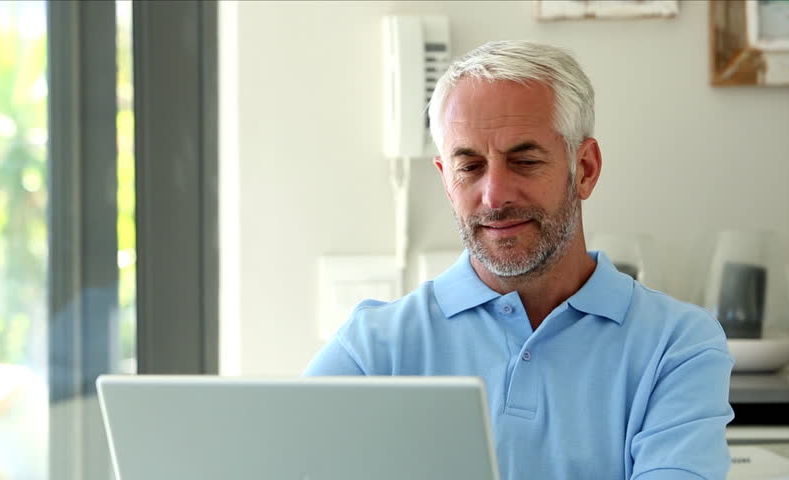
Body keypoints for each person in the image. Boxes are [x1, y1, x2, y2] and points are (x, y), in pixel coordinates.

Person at [304, 40, 734, 480]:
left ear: (584, 169)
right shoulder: (374, 349)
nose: (494, 196)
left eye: (524, 160)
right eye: (469, 167)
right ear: (446, 180)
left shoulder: (677, 346)